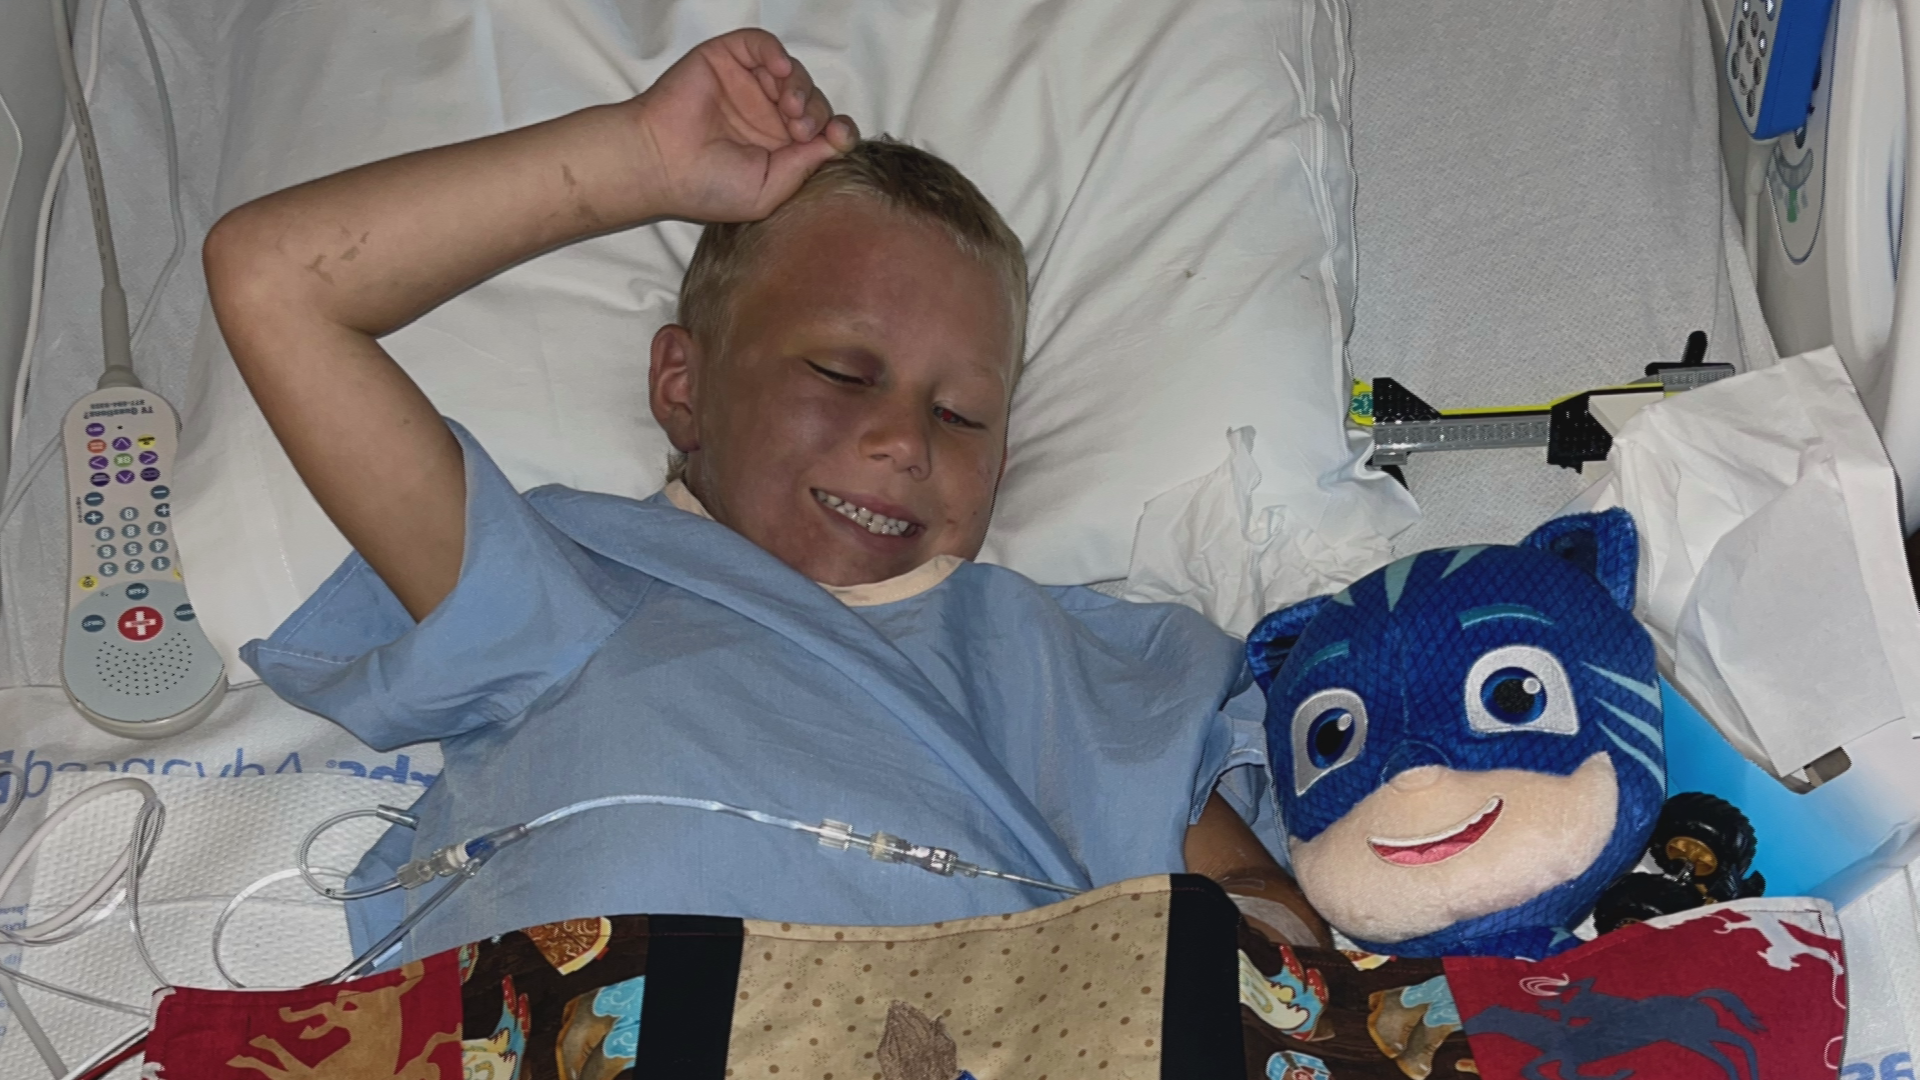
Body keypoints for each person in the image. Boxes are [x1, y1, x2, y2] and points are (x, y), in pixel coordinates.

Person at [205, 28, 1324, 958]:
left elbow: (1280, 945)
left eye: (960, 415)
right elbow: (273, 278)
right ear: (682, 388)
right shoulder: (570, 587)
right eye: (841, 373)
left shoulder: (1073, 668)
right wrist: (635, 160)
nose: (902, 441)